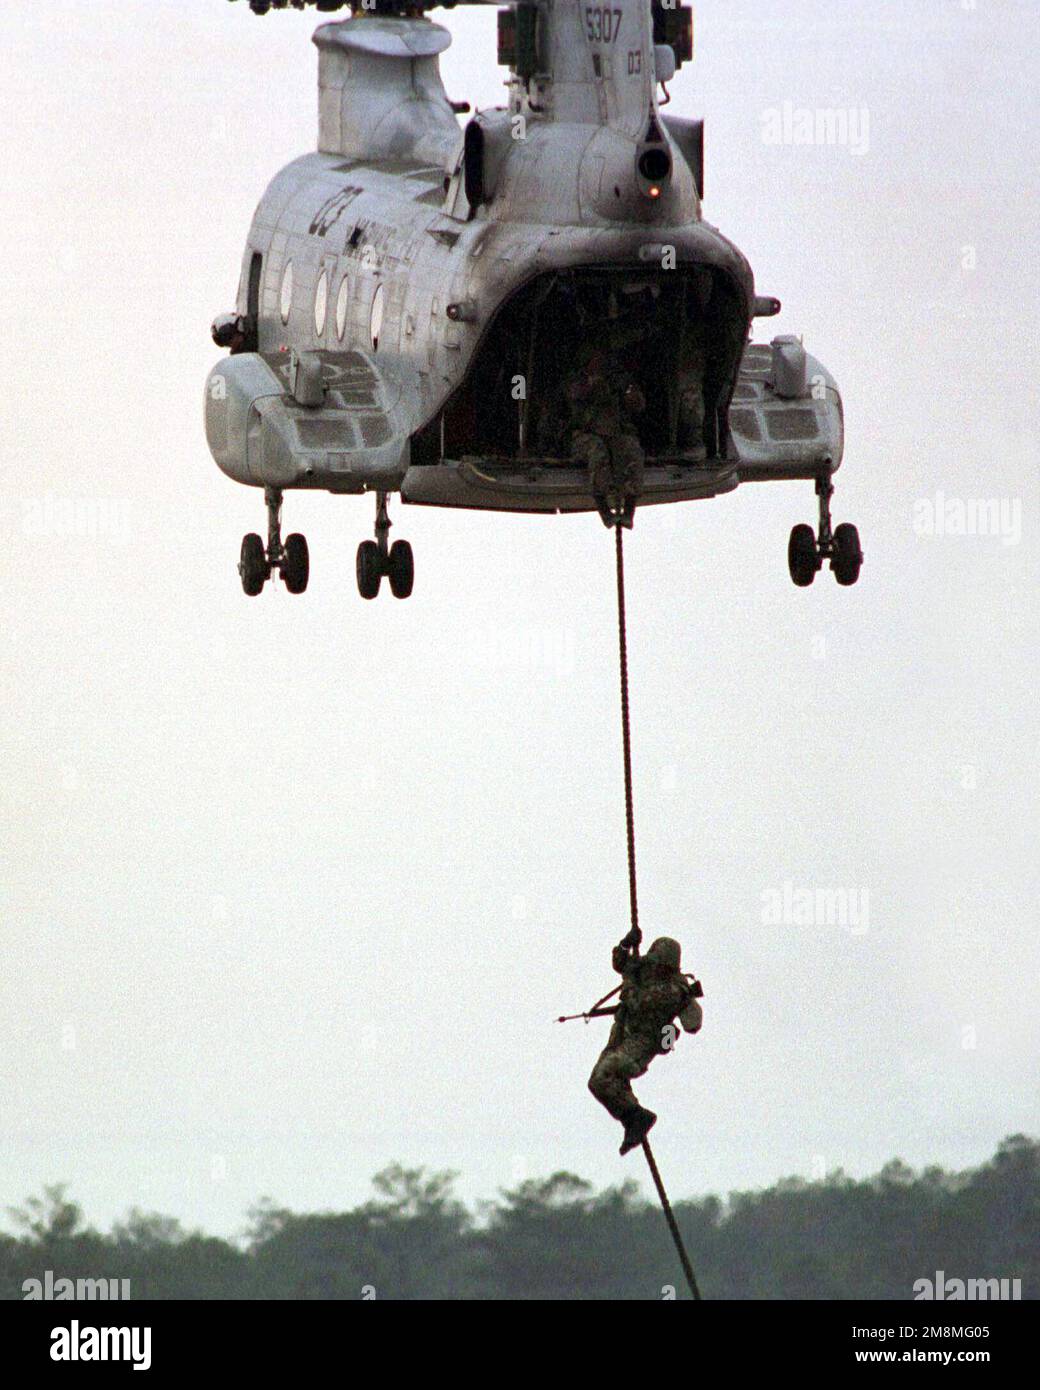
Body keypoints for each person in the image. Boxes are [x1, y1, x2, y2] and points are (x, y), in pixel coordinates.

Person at [587, 927, 703, 1155]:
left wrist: (630, 976)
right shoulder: (647, 971)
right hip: (622, 1032)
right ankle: (632, 1118)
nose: (652, 967)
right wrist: (624, 945)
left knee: (606, 1074)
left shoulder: (671, 990)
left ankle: (637, 1118)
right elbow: (621, 963)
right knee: (596, 1082)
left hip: (642, 1043)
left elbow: (635, 1001)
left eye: (657, 964)